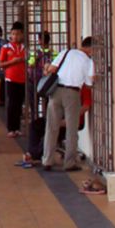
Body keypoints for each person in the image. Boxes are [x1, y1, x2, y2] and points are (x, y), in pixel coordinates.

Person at [42, 37, 94, 172]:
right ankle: (69, 163)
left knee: (51, 127)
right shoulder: (89, 61)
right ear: (90, 48)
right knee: (71, 129)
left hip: (56, 91)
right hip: (72, 94)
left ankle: (47, 160)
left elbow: (52, 69)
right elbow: (88, 85)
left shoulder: (66, 52)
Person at [15, 83, 90, 168]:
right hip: (58, 118)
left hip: (70, 121)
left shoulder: (82, 87)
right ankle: (35, 156)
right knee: (35, 125)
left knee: (53, 132)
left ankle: (32, 154)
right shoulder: (61, 85)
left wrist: (67, 120)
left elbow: (86, 106)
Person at [0, 22, 26, 137]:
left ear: (23, 35)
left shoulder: (25, 48)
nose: (15, 36)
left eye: (18, 34)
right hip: (11, 79)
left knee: (19, 104)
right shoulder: (6, 47)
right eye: (13, 34)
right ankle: (11, 128)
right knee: (12, 104)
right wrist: (12, 62)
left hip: (23, 79)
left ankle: (17, 128)